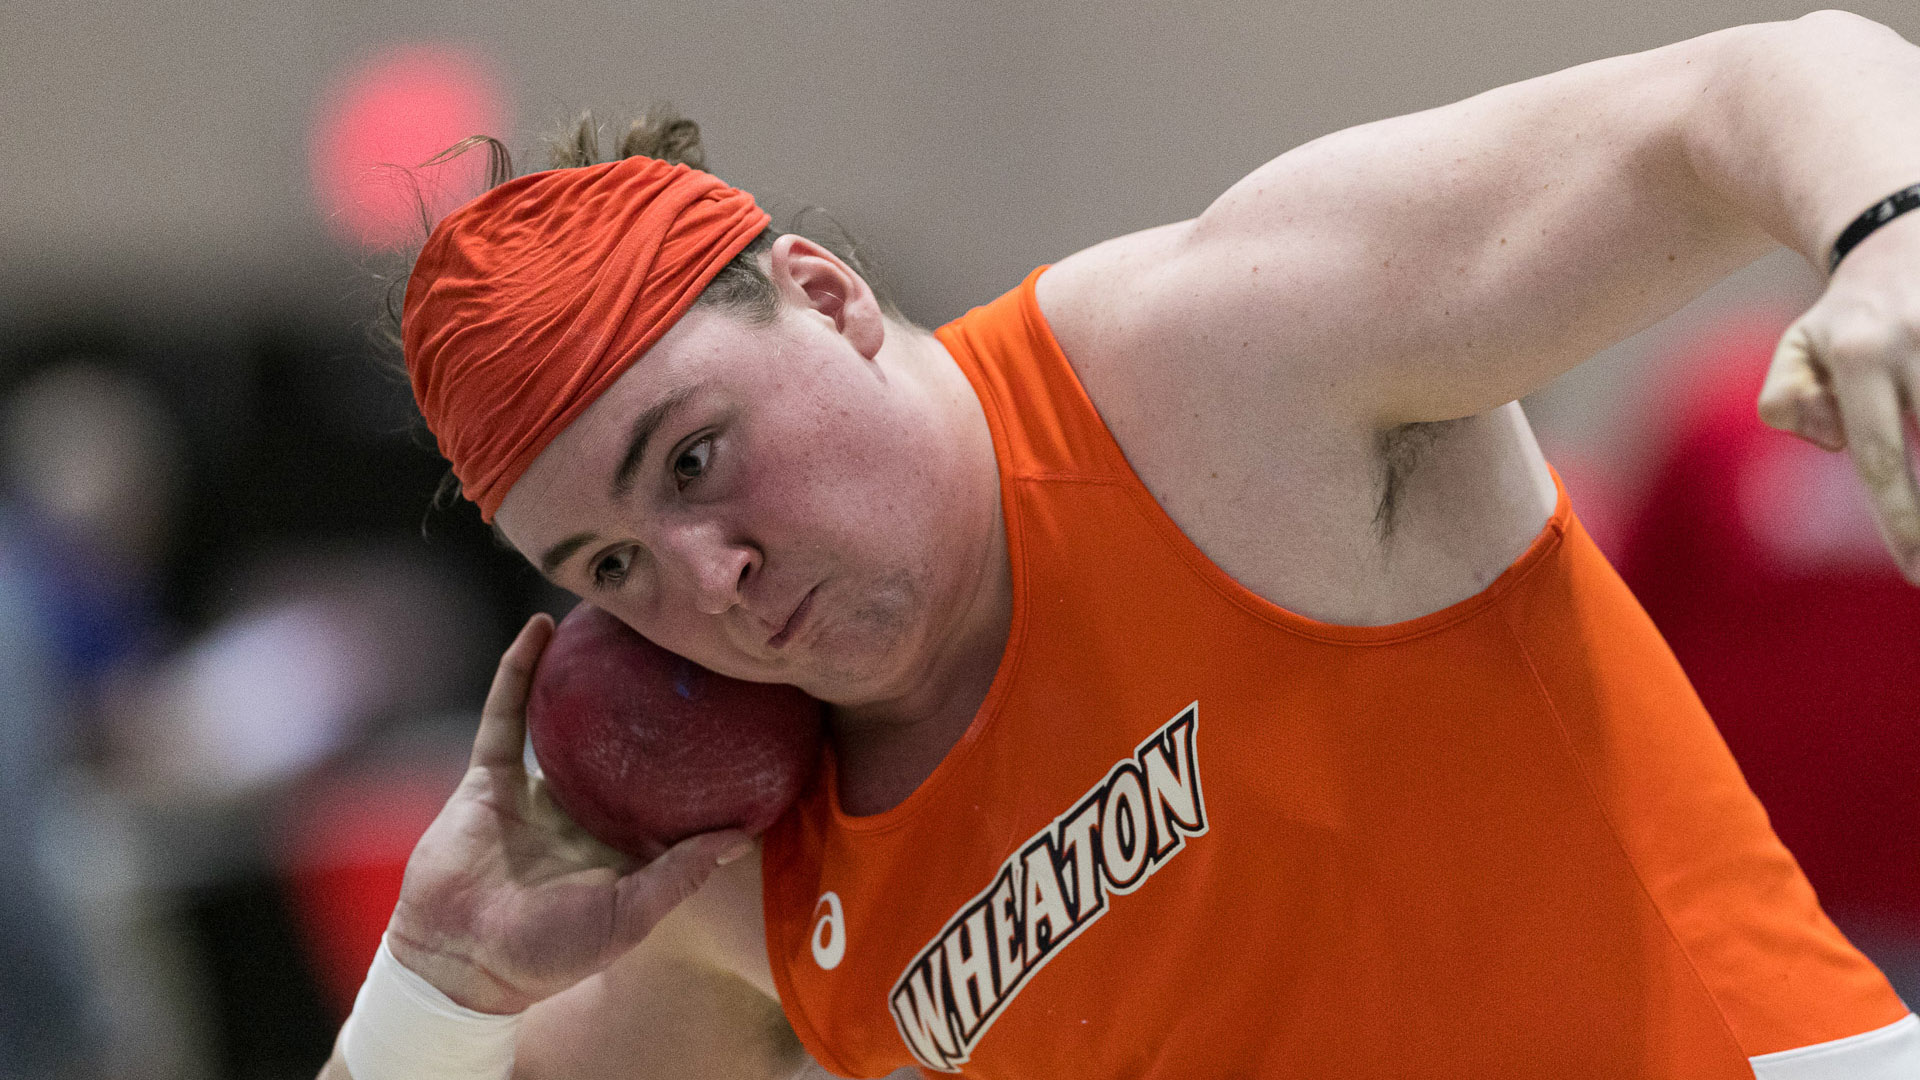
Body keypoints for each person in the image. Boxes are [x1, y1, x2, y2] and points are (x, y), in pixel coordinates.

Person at [322, 12, 1920, 1079]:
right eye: (608, 568)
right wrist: (437, 984)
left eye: (693, 457)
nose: (705, 580)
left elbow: (1767, 80)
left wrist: (1891, 236)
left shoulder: (1213, 367)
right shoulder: (729, 861)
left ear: (823, 295)